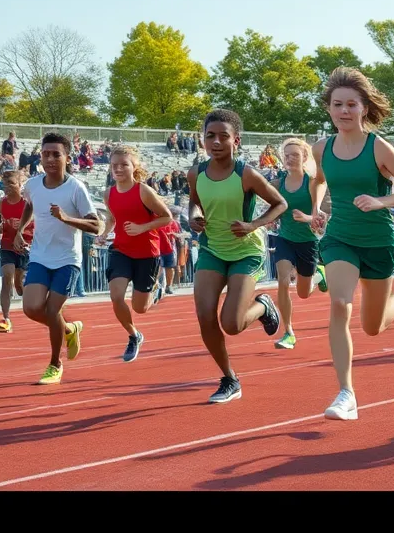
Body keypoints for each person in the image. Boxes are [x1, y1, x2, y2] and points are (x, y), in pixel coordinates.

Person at [309, 67, 394, 421]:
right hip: (340, 237)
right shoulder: (320, 148)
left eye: (351, 105)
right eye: (337, 104)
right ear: (329, 109)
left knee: (372, 327)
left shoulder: (379, 147)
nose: (344, 111)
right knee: (340, 304)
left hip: (377, 242)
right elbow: (320, 180)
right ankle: (346, 393)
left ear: (364, 108)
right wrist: (316, 207)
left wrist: (381, 201)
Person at [187, 109, 288, 404]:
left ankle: (262, 306)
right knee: (205, 317)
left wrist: (253, 225)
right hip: (212, 249)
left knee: (230, 324)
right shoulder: (196, 173)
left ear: (236, 140)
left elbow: (279, 203)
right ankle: (229, 378)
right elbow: (195, 204)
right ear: (203, 140)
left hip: (245, 251)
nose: (216, 141)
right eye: (210, 136)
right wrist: (194, 217)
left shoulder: (247, 174)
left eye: (223, 136)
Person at [15, 133, 101, 385]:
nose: (50, 159)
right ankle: (69, 328)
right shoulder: (32, 184)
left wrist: (66, 219)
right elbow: (29, 205)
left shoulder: (76, 188)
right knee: (31, 308)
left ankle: (55, 364)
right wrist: (21, 229)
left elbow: (96, 226)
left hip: (67, 259)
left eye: (56, 154)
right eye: (46, 154)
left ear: (67, 157)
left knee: (52, 310)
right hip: (40, 255)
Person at [99, 145, 174, 362]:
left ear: (134, 167)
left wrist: (142, 228)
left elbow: (167, 217)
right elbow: (113, 219)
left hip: (147, 253)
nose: (119, 169)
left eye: (124, 164)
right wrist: (104, 234)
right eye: (114, 165)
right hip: (121, 250)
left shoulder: (143, 191)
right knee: (116, 296)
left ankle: (156, 290)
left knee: (140, 308)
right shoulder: (108, 194)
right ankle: (134, 335)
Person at [270, 137, 328, 350]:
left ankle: (320, 273)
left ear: (304, 157)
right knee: (283, 282)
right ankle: (289, 332)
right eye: (287, 155)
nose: (290, 158)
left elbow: (321, 218)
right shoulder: (277, 184)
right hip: (285, 239)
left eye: (295, 154)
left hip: (308, 242)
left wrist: (307, 217)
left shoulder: (312, 183)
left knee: (304, 293)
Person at [0, 170, 32, 333]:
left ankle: (22, 288)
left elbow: (36, 223)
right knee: (6, 276)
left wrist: (21, 232)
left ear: (20, 185)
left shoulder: (28, 203)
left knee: (18, 284)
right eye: (5, 185)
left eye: (11, 184)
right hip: (7, 245)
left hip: (25, 246)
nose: (7, 188)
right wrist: (2, 227)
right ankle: (6, 317)